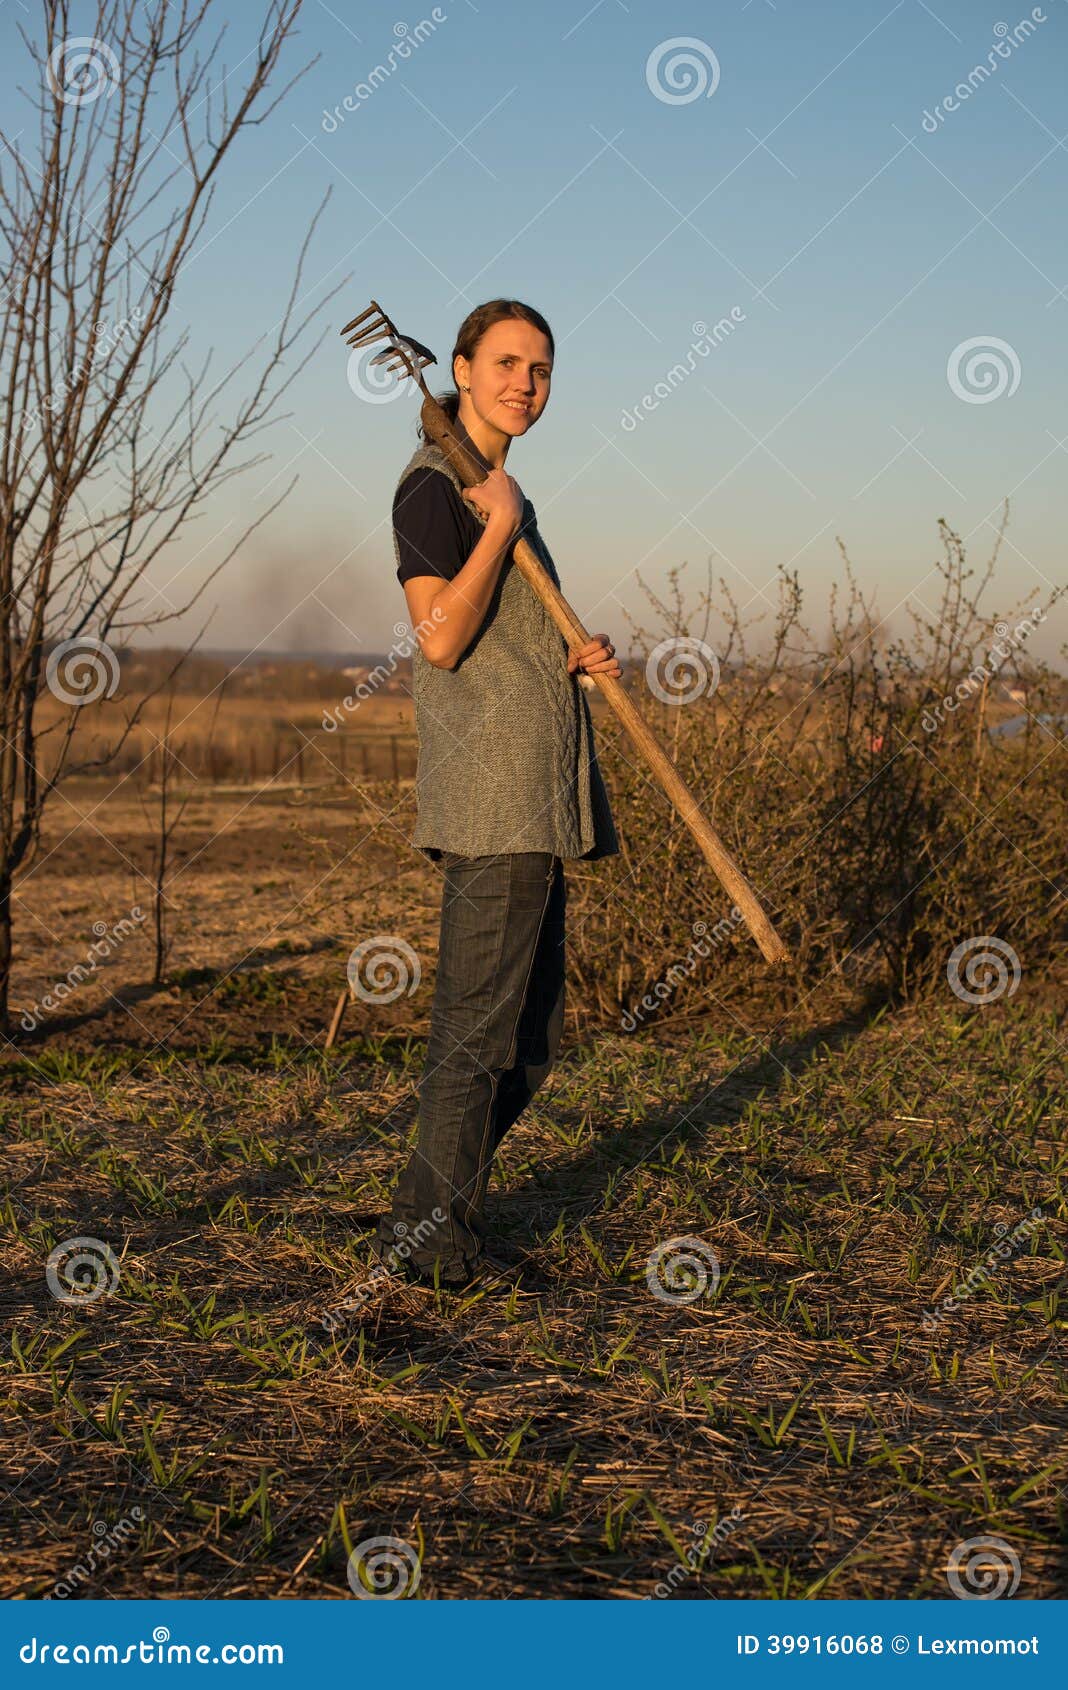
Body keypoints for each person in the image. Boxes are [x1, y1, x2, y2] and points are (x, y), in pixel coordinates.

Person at [373, 297, 622, 1288]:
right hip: (495, 795)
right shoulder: (437, 488)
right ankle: (431, 1241)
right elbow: (437, 637)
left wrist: (566, 653)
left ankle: (429, 1210)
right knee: (478, 1028)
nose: (527, 382)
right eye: (509, 363)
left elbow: (497, 638)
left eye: (543, 368)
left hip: (537, 792)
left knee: (530, 1032)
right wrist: (502, 527)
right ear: (463, 370)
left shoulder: (498, 487)